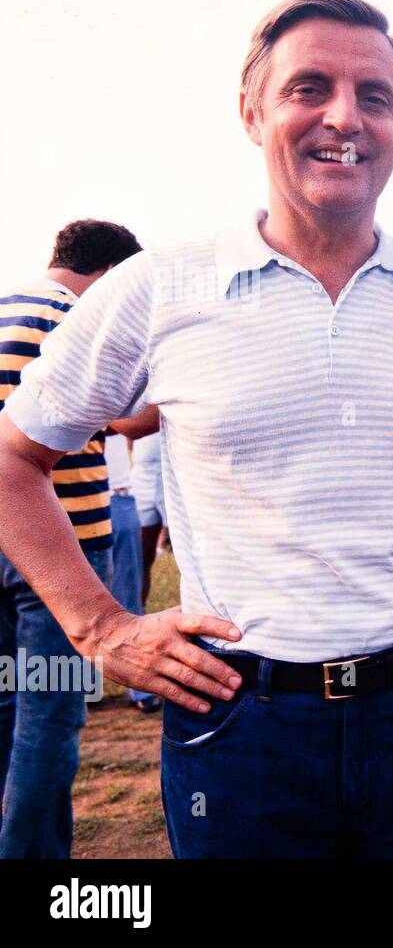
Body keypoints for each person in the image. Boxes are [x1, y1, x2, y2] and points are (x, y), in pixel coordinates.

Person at [0, 0, 393, 858]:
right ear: (251, 110)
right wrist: (101, 628)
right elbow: (13, 456)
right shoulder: (159, 288)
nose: (345, 117)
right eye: (310, 88)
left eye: (374, 97)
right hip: (241, 728)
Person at [0, 218, 142, 858]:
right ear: (111, 275)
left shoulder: (5, 306)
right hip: (61, 550)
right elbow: (123, 418)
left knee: (5, 708)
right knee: (51, 714)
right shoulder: (77, 320)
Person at [104, 430, 162, 713]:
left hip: (118, 495)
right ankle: (72, 690)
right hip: (86, 499)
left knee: (127, 602)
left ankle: (140, 686)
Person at [131, 432, 167, 608]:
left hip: (172, 469)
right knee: (143, 555)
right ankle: (140, 608)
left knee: (191, 552)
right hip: (142, 473)